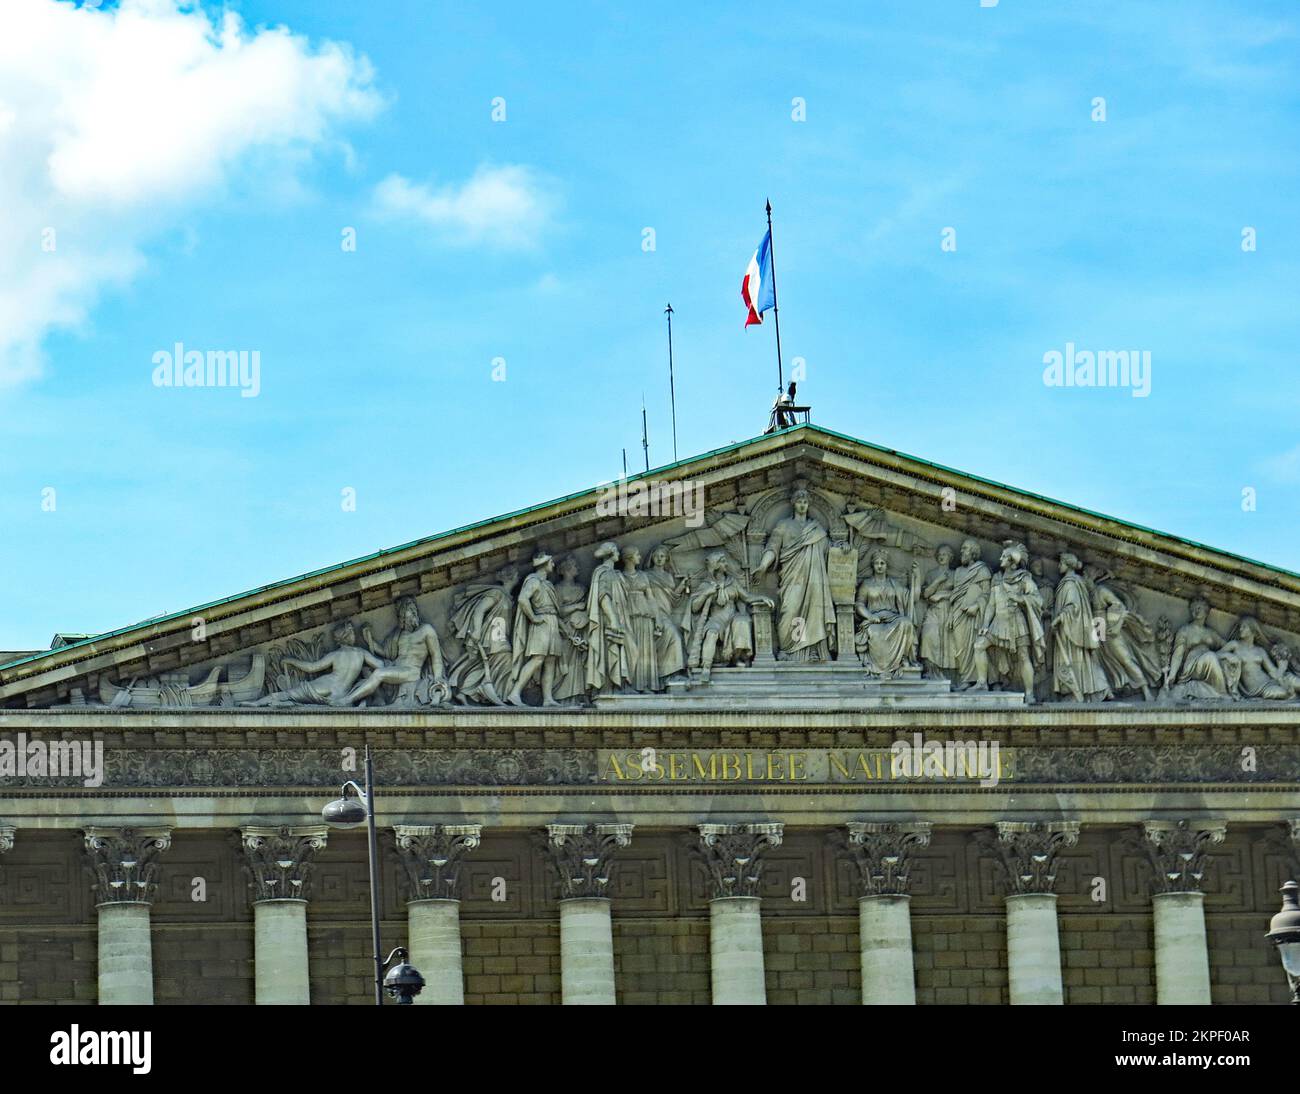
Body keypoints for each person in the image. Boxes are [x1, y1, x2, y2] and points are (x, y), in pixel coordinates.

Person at [753, 479, 837, 661]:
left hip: (814, 580)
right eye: (799, 501)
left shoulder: (817, 529)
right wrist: (762, 566)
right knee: (789, 611)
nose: (802, 505)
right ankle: (788, 650)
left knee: (815, 611)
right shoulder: (783, 526)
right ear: (793, 503)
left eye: (805, 502)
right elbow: (772, 548)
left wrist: (843, 549)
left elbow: (829, 552)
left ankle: (812, 650)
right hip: (791, 579)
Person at [344, 597, 450, 706]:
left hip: (411, 671)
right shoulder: (400, 634)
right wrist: (369, 640)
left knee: (378, 673)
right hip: (395, 666)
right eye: (402, 617)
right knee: (366, 669)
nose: (405, 621)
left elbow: (435, 655)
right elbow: (387, 653)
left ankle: (347, 700)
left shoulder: (426, 630)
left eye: (410, 614)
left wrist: (438, 677)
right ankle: (379, 699)